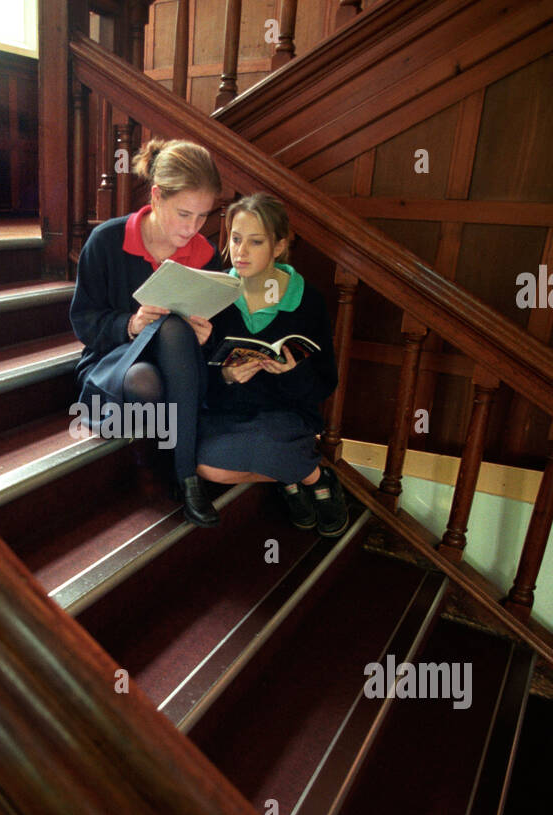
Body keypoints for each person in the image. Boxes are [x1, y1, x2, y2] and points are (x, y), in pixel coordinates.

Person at [68, 138, 225, 526]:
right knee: (145, 374)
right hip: (114, 368)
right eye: (183, 214)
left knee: (173, 332)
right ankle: (185, 472)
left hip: (183, 374)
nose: (193, 229)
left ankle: (181, 468)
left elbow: (221, 331)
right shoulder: (106, 240)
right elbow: (84, 321)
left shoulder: (206, 255)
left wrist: (207, 336)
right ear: (156, 197)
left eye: (203, 217)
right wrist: (131, 324)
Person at [196, 193, 348, 536]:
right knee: (208, 468)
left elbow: (326, 380)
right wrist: (226, 375)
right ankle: (307, 476)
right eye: (236, 239)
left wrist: (293, 374)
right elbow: (197, 371)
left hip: (286, 412)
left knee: (270, 441)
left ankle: (307, 479)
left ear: (279, 246)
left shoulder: (308, 300)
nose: (241, 251)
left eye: (256, 241)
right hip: (228, 409)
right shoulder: (216, 291)